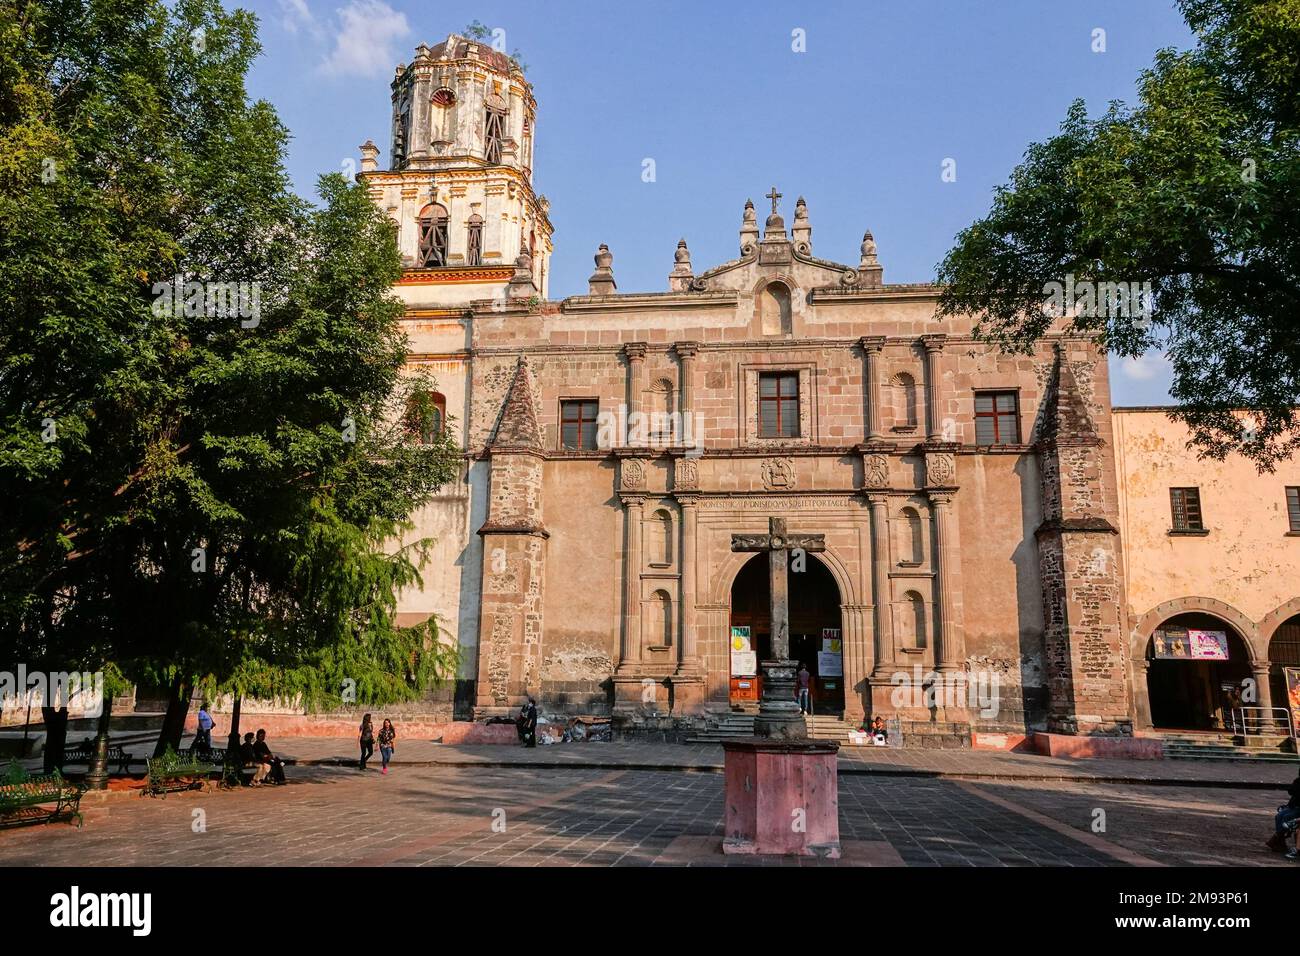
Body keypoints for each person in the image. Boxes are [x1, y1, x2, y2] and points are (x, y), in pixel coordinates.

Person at [1267, 770, 1300, 855]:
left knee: (1286, 817)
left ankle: (1277, 839)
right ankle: (1280, 841)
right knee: (1279, 816)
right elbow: (1291, 792)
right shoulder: (1298, 781)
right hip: (1293, 806)